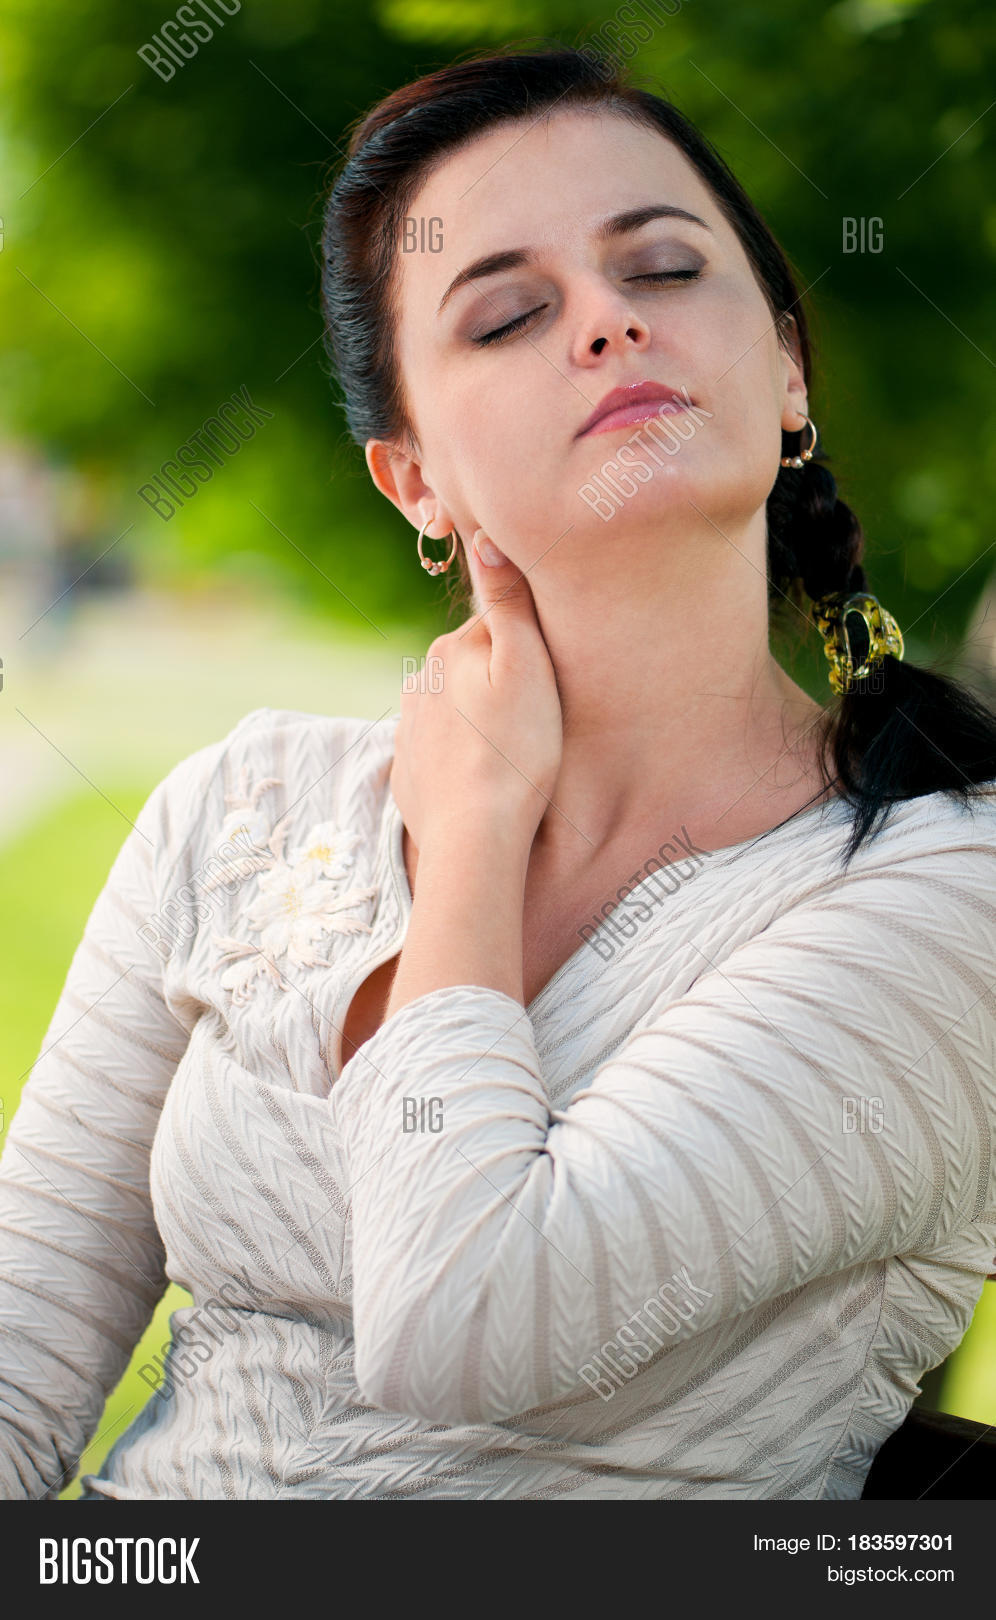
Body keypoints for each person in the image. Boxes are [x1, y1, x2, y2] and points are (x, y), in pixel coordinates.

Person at [2, 44, 995, 1502]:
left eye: (661, 270)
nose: (605, 322)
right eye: (512, 312)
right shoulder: (243, 809)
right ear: (412, 478)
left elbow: (464, 1322)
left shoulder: (942, 896)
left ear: (785, 368)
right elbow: (25, 1353)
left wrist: (468, 847)